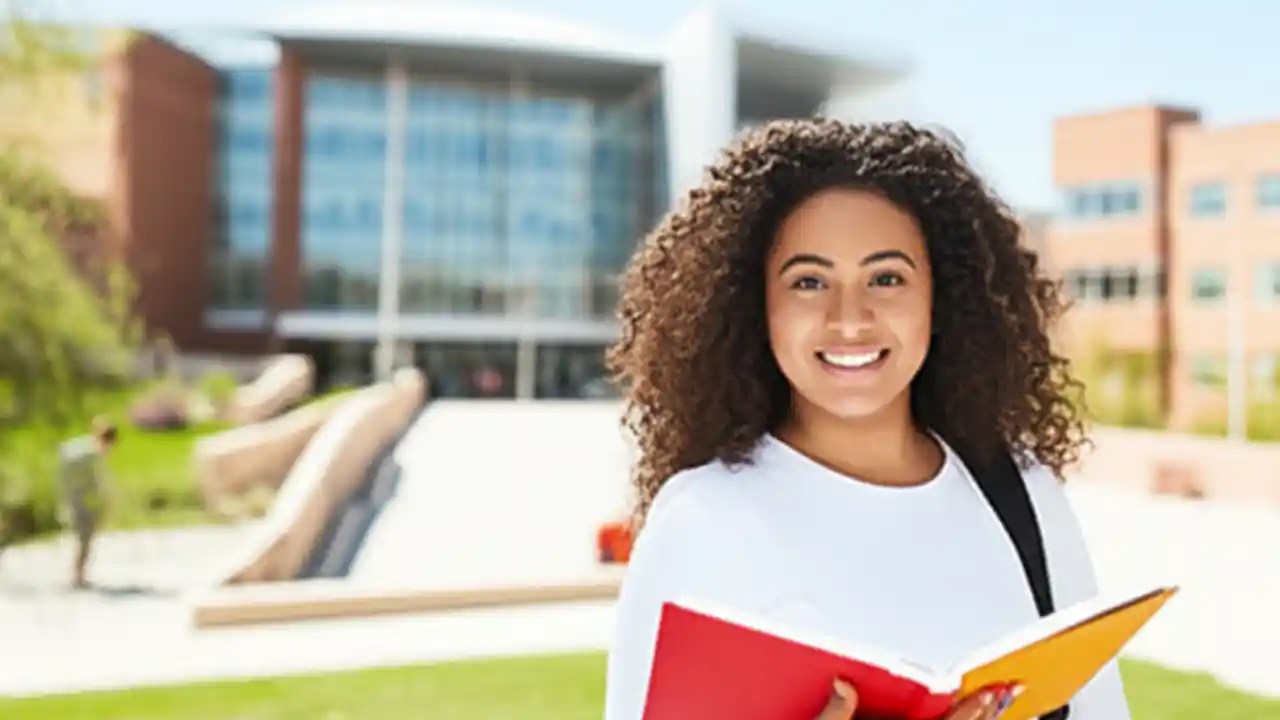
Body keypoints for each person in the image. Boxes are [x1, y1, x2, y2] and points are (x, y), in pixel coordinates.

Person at [602, 119, 1130, 719]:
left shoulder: (1024, 497)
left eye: (886, 278)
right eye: (808, 282)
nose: (849, 319)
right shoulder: (703, 519)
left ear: (940, 298)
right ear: (757, 306)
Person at [58, 416, 118, 589]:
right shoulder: (92, 452)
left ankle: (78, 575)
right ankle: (78, 576)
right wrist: (107, 501)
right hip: (81, 501)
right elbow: (100, 481)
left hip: (76, 498)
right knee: (84, 538)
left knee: (83, 538)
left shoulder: (79, 447)